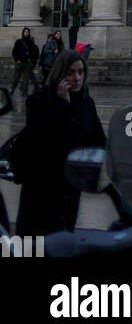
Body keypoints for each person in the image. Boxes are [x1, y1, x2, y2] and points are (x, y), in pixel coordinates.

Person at [15, 48, 106, 236]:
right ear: (60, 74)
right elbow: (42, 138)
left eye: (80, 72)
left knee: (63, 241)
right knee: (34, 241)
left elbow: (97, 140)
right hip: (42, 186)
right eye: (71, 72)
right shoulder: (39, 100)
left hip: (70, 186)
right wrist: (63, 105)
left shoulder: (86, 103)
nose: (77, 78)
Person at [10, 28, 40, 104]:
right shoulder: (18, 41)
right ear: (23, 33)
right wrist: (17, 60)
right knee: (16, 78)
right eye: (25, 32)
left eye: (28, 32)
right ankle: (12, 91)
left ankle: (25, 93)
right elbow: (14, 52)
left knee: (26, 79)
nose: (26, 33)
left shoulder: (31, 42)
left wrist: (31, 60)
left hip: (27, 63)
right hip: (20, 63)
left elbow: (34, 52)